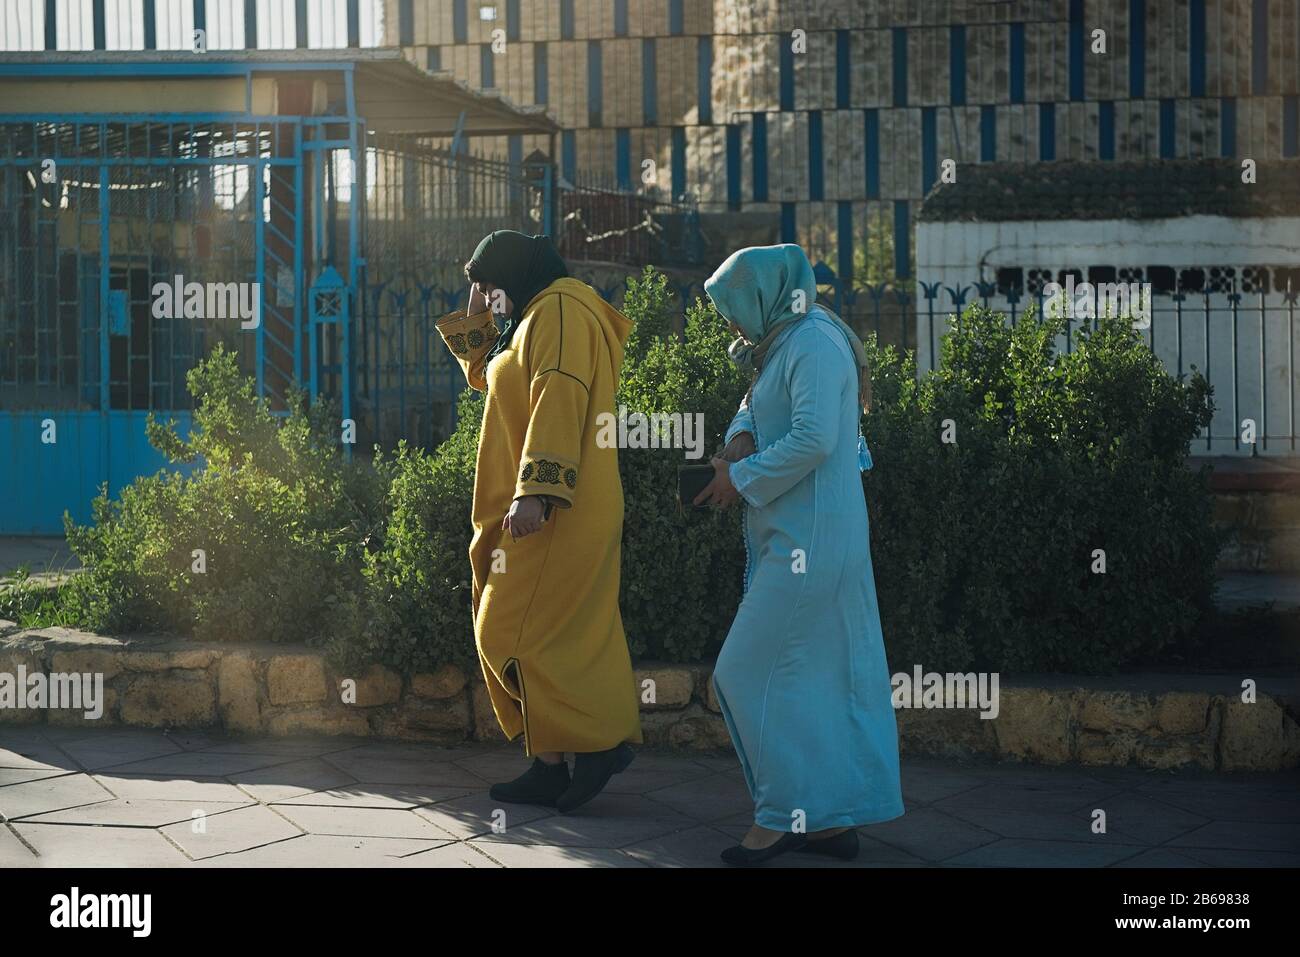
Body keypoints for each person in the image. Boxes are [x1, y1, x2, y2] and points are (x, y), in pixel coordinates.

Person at [694, 243, 905, 866]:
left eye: (734, 307)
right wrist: (738, 441)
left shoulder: (811, 342)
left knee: (742, 673)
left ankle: (781, 816)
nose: (730, 322)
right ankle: (829, 823)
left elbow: (815, 437)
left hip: (810, 543)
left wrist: (739, 478)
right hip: (799, 537)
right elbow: (758, 407)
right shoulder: (786, 339)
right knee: (812, 679)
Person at [436, 230, 641, 813]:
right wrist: (475, 311)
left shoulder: (560, 309)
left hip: (555, 510)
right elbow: (487, 375)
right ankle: (551, 763)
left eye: (487, 282)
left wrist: (537, 492)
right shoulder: (531, 317)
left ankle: (599, 744)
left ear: (515, 274)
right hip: (546, 507)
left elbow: (560, 395)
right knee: (555, 637)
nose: (483, 293)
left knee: (505, 628)